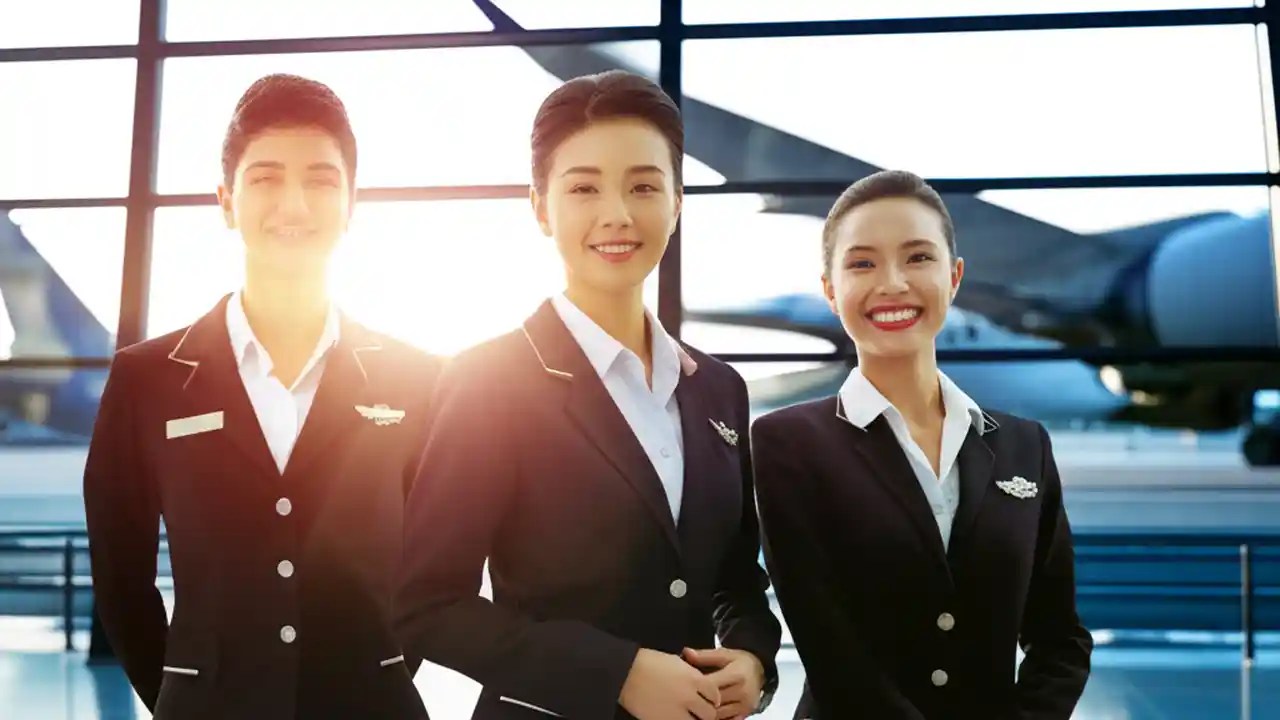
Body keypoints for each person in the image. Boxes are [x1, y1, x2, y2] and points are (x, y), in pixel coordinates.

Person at [395, 70, 782, 720]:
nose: (617, 214)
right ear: (542, 208)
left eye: (644, 186)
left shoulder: (718, 389)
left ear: (677, 201)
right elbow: (429, 605)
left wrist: (753, 659)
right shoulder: (488, 380)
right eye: (584, 188)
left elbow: (738, 582)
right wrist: (616, 674)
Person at [83, 73, 440, 719]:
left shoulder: (419, 380)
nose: (295, 204)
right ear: (226, 201)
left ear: (352, 202)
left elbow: (440, 566)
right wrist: (184, 693)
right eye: (267, 178)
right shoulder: (148, 379)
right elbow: (119, 578)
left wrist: (381, 671)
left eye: (321, 180)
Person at [751, 170, 1093, 719]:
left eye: (918, 258)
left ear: (954, 279)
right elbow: (831, 649)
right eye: (863, 263)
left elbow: (1061, 640)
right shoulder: (785, 444)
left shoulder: (1024, 447)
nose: (892, 283)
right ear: (831, 290)